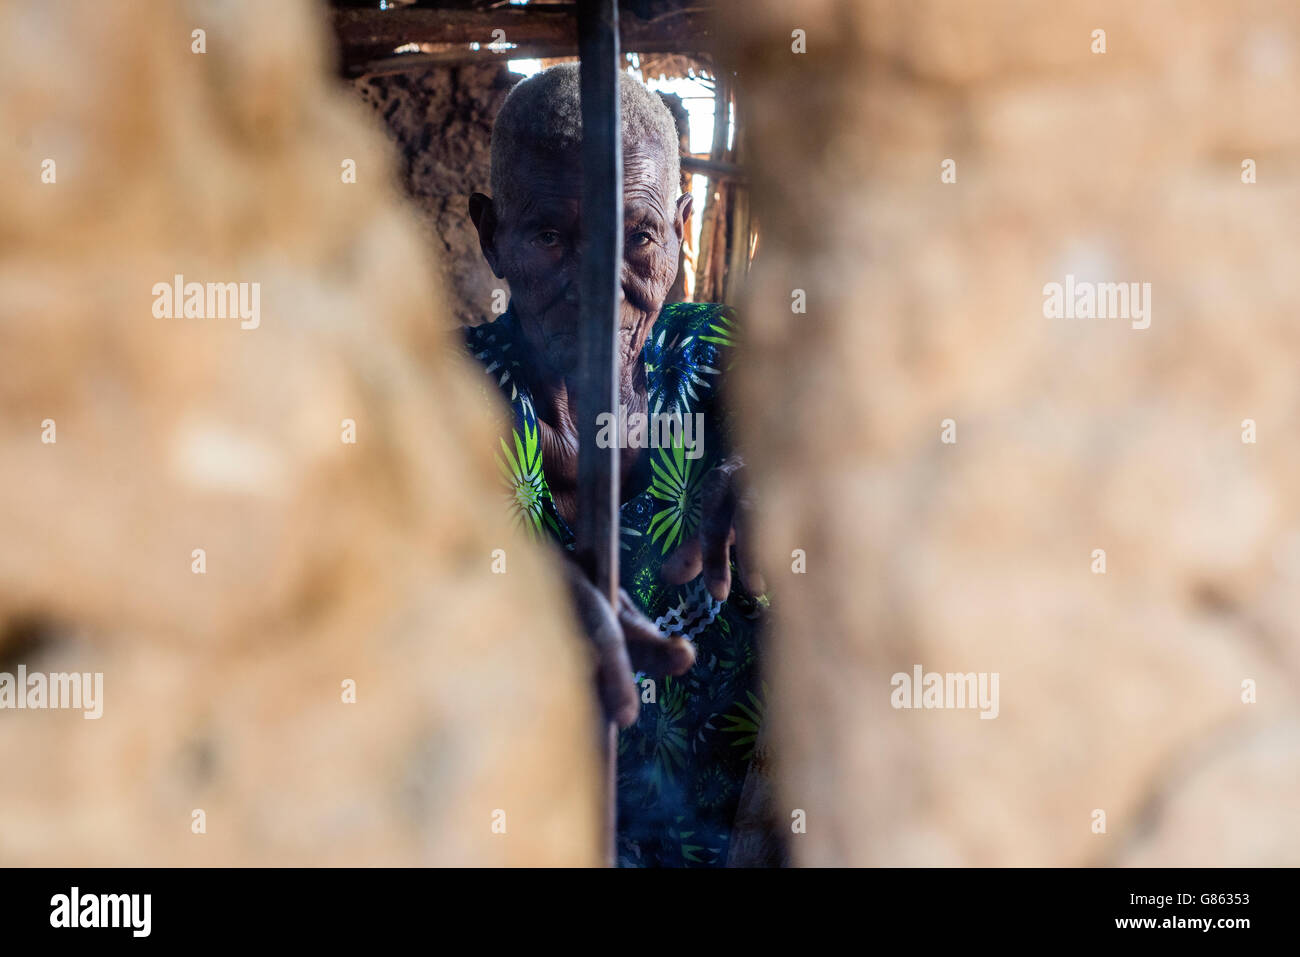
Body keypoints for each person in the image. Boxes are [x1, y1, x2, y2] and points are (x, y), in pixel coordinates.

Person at [463, 63, 782, 867]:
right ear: (489, 237)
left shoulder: (747, 370)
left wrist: (814, 475)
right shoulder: (433, 408)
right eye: (550, 236)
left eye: (634, 235)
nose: (599, 280)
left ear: (682, 225)